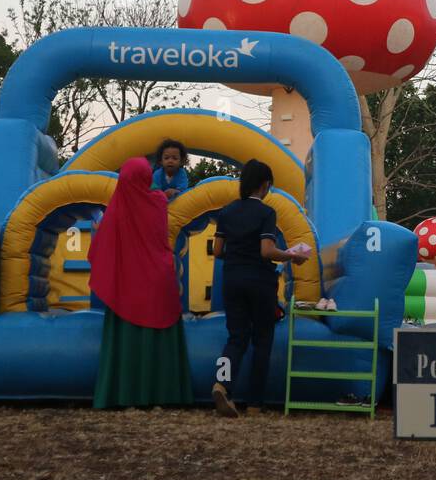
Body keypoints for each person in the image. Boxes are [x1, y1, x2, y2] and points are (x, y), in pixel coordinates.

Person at [88, 157, 193, 409]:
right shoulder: (157, 201)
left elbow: (100, 248)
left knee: (127, 342)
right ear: (147, 177)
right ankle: (165, 395)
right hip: (157, 280)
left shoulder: (116, 208)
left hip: (126, 285)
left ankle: (124, 395)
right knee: (159, 338)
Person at [211, 159, 307, 417]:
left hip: (232, 279)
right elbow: (267, 251)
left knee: (236, 337)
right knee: (262, 340)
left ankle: (222, 384)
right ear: (265, 185)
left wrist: (237, 257)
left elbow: (218, 251)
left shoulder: (227, 211)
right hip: (260, 282)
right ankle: (254, 404)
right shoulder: (266, 213)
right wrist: (291, 255)